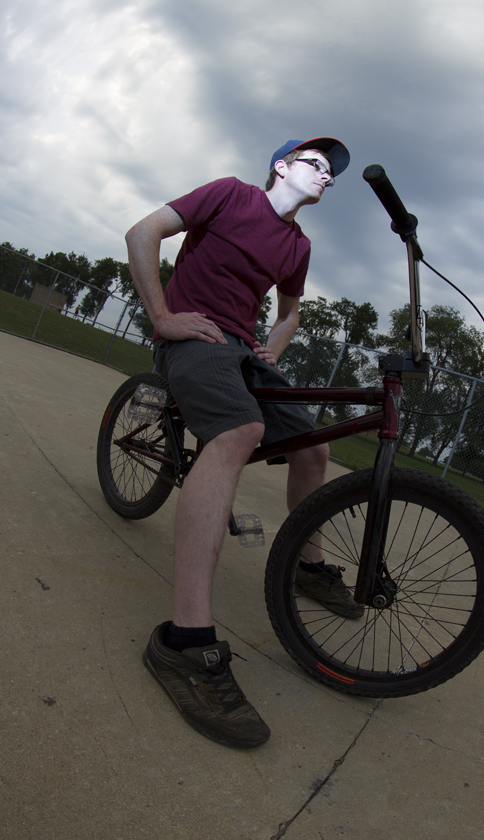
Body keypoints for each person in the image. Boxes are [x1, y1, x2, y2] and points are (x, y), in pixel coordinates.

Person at [125, 137, 361, 749]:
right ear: (281, 166)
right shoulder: (231, 194)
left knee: (314, 447)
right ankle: (185, 642)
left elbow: (290, 310)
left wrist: (273, 349)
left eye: (331, 173)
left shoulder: (298, 245)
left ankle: (309, 568)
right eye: (315, 163)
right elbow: (143, 232)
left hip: (242, 350)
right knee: (239, 430)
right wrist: (162, 317)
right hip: (194, 337)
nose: (326, 176)